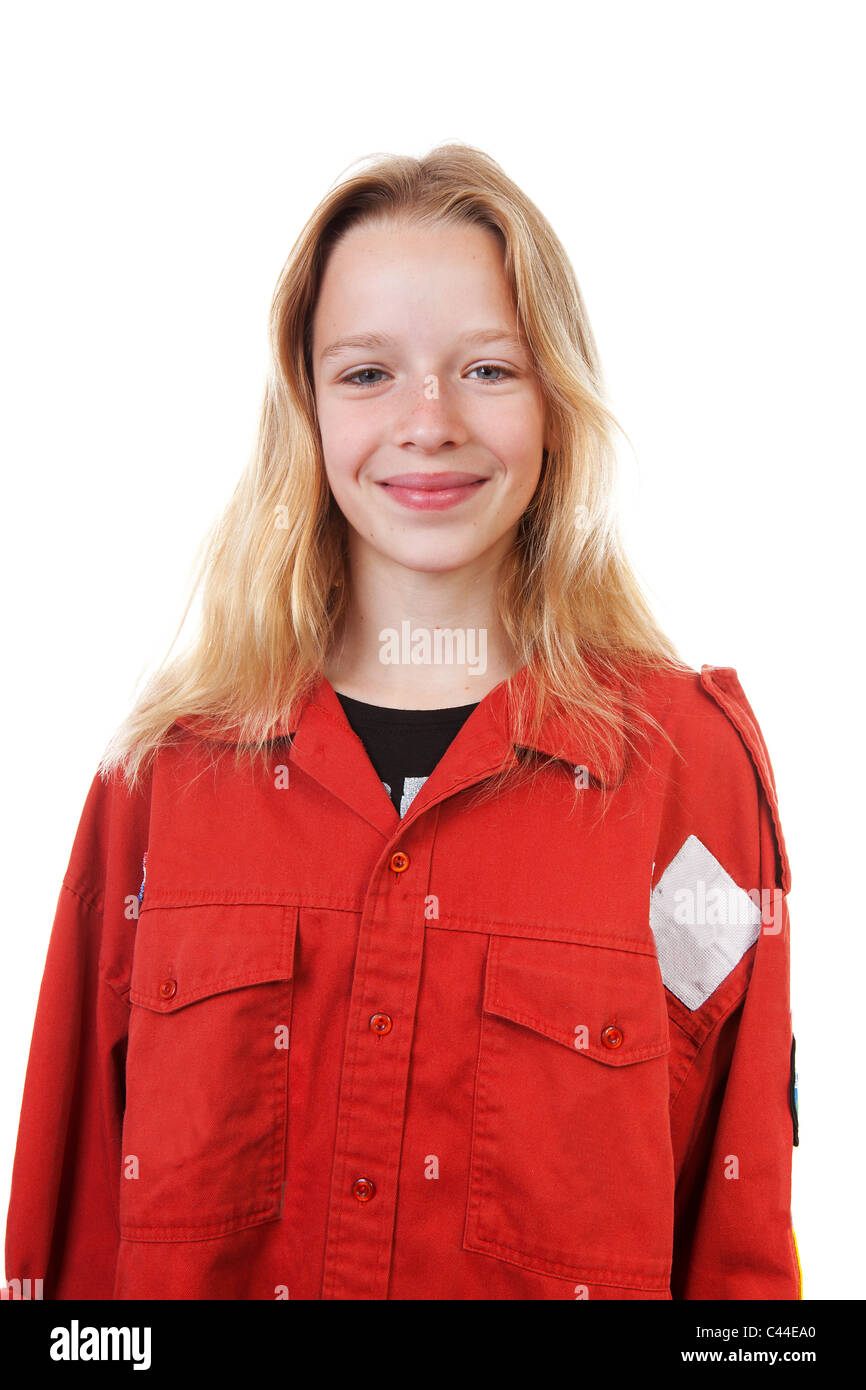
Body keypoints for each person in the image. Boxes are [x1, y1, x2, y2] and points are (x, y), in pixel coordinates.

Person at [3, 142, 801, 1301]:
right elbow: (65, 1246)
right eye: (367, 373)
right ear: (305, 404)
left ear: (556, 400)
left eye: (485, 368)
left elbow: (735, 1228)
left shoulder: (688, 785)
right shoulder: (161, 782)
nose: (427, 423)